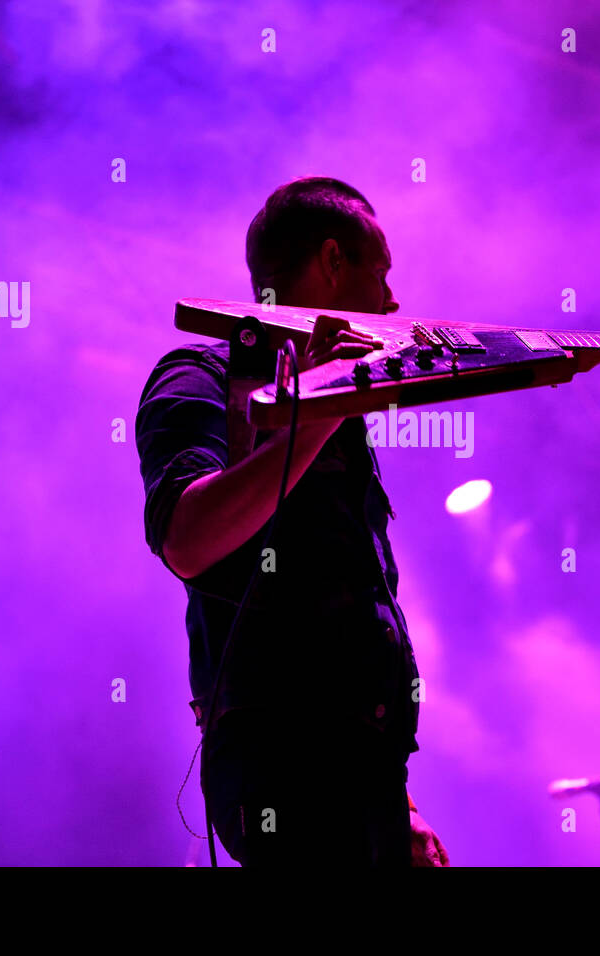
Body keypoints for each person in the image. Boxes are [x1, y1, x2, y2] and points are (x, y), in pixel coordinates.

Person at [135, 177, 449, 866]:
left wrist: (401, 807)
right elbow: (187, 540)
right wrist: (323, 406)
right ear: (334, 262)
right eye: (380, 271)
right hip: (283, 765)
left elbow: (338, 602)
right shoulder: (200, 371)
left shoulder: (336, 404)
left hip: (363, 766)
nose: (393, 298)